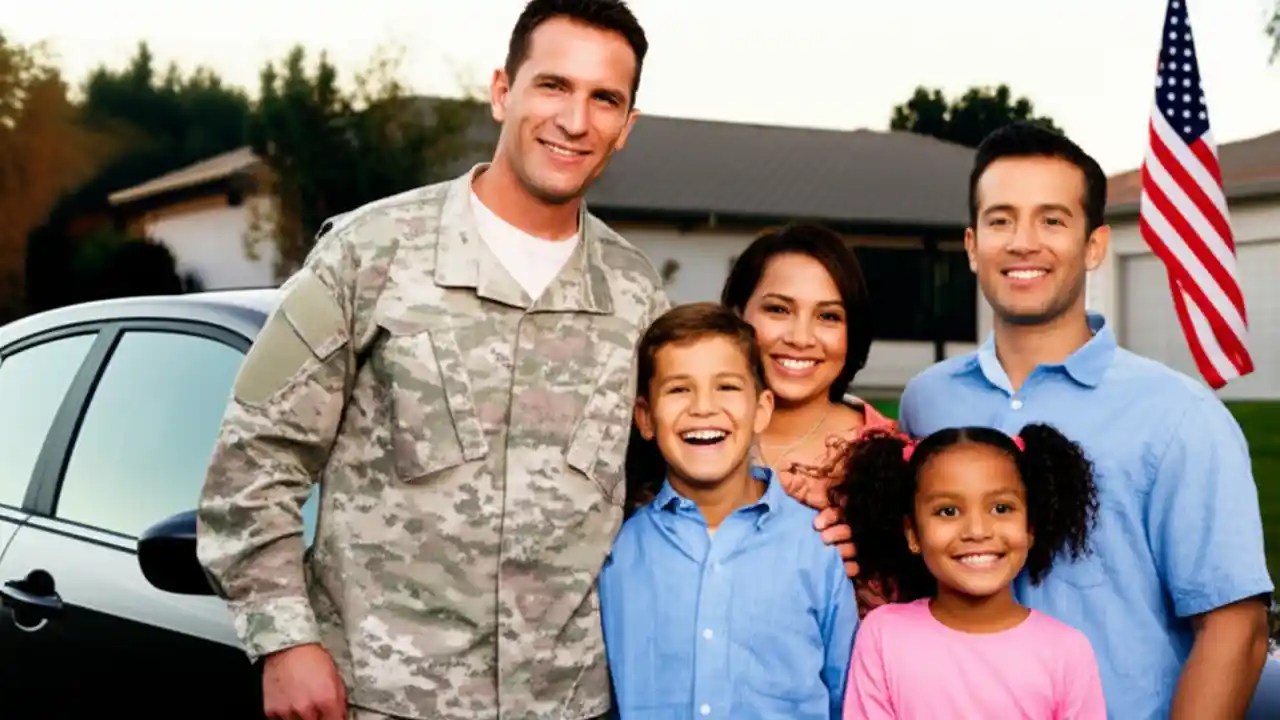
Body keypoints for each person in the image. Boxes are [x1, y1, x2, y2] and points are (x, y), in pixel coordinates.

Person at [194, 1, 669, 718]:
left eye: (604, 98)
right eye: (552, 85)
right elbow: (254, 462)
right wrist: (284, 639)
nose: (575, 120)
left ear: (627, 126)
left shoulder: (638, 298)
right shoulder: (369, 254)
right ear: (502, 90)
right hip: (381, 700)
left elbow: (668, 488)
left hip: (568, 706)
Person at [897, 122, 1272, 719]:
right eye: (1001, 220)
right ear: (972, 246)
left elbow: (1236, 627)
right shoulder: (928, 403)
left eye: (1052, 220)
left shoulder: (1179, 416)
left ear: (1094, 245)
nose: (1023, 242)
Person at [600, 302, 858, 719]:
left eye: (727, 387)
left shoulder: (817, 546)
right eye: (679, 389)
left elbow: (844, 694)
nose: (704, 407)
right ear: (645, 418)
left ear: (761, 410)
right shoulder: (618, 550)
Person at [834, 423, 1107, 719]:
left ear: (1030, 528)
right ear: (912, 534)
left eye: (1001, 508)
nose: (977, 531)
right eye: (948, 511)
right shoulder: (883, 635)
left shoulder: (1066, 651)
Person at [720, 222, 896, 613]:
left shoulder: (891, 460)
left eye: (828, 317)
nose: (801, 337)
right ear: (737, 314)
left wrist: (869, 565)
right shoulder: (692, 438)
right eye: (778, 309)